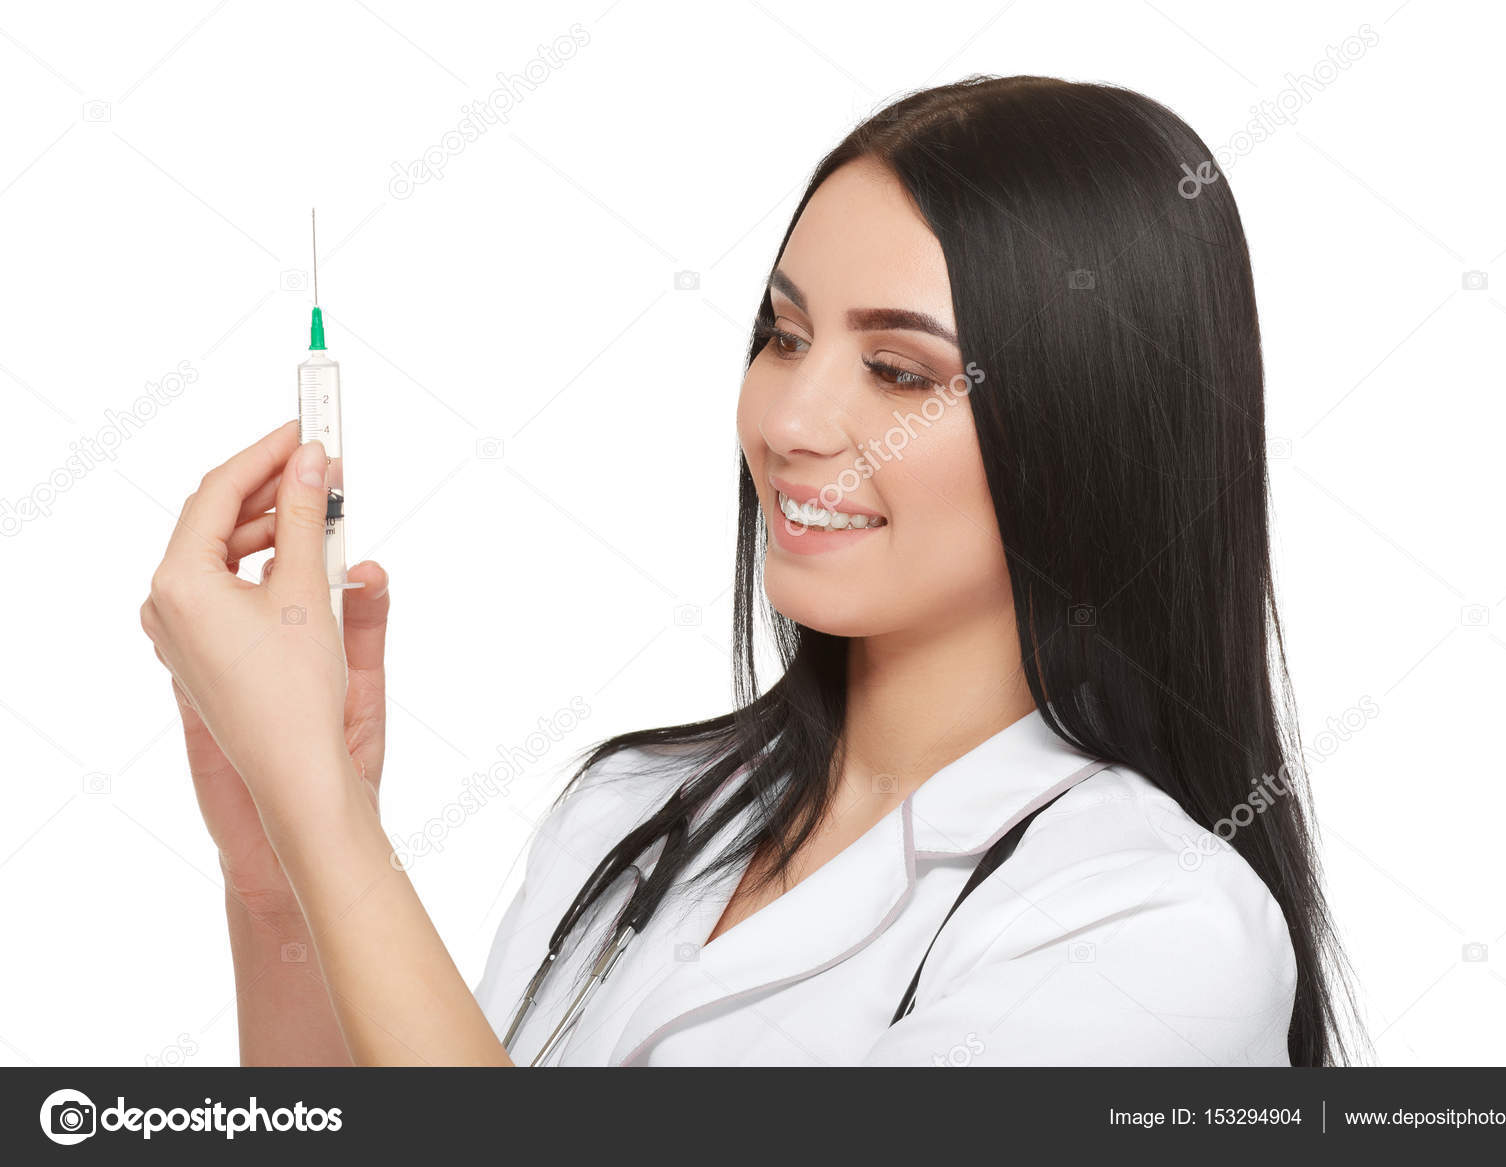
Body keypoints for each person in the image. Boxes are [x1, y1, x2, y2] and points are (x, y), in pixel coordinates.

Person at [140, 75, 1350, 1066]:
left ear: (1095, 423)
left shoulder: (1152, 930)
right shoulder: (632, 810)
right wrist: (281, 875)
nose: (789, 420)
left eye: (901, 372)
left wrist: (325, 808)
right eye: (782, 335)